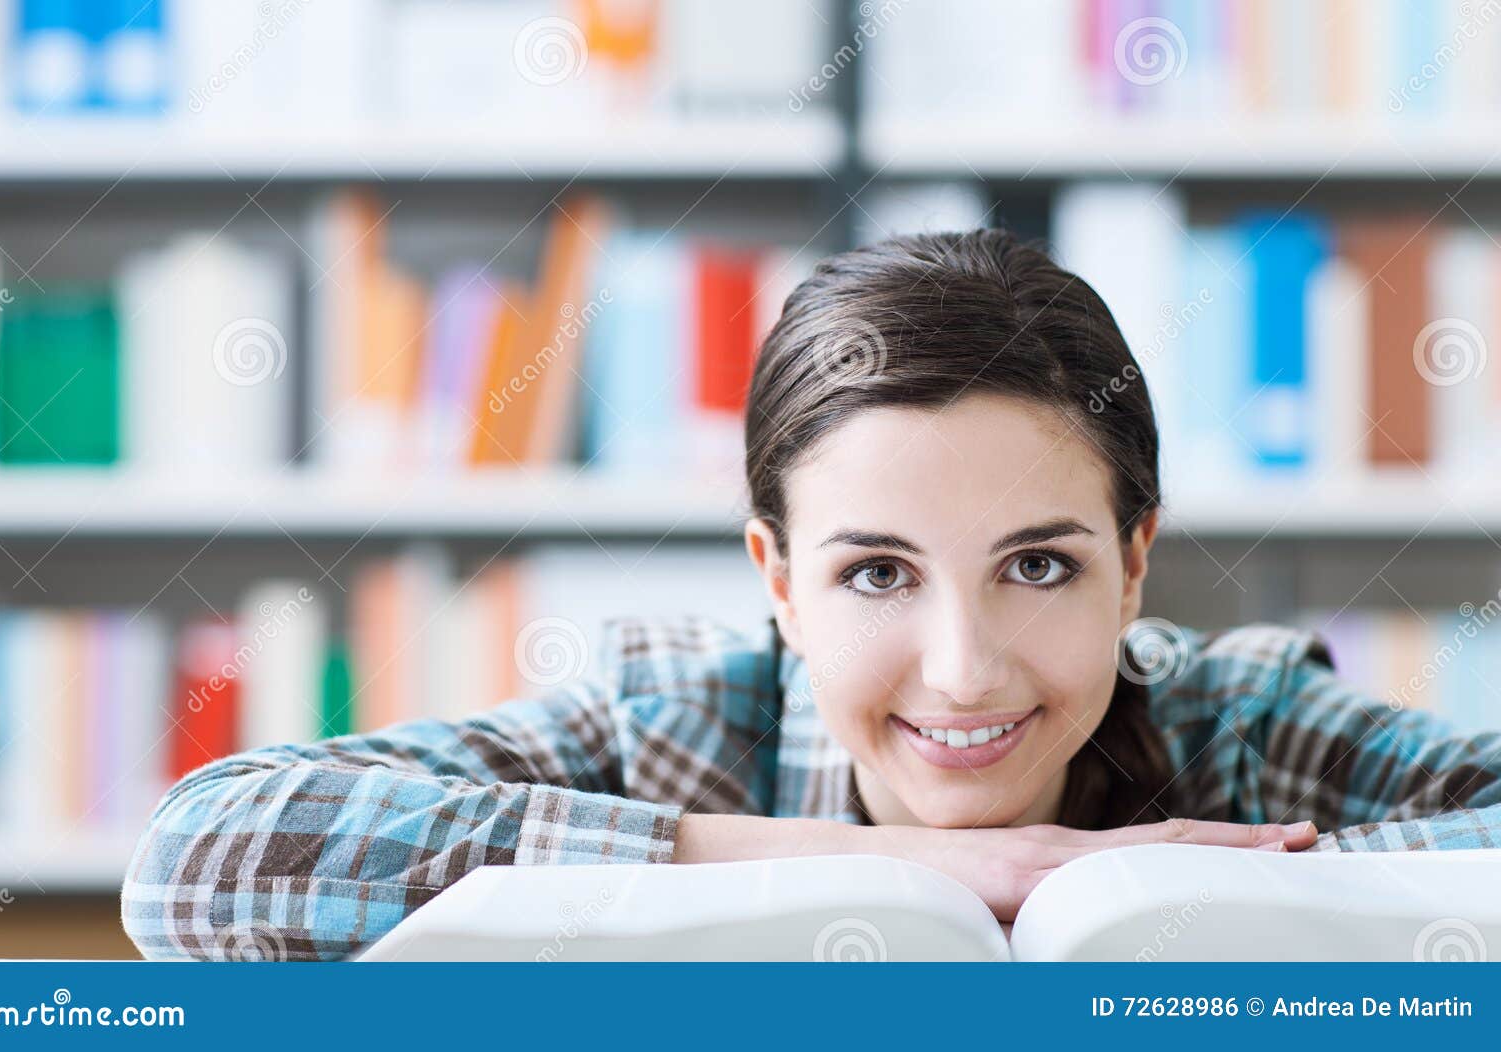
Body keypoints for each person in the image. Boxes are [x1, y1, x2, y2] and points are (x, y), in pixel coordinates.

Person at [120, 229, 1501, 961]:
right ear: (778, 579)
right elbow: (198, 861)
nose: (964, 671)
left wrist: (1191, 888)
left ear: (1135, 558)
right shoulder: (672, 724)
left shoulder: (1237, 720)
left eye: (1038, 565)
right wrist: (899, 866)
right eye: (877, 573)